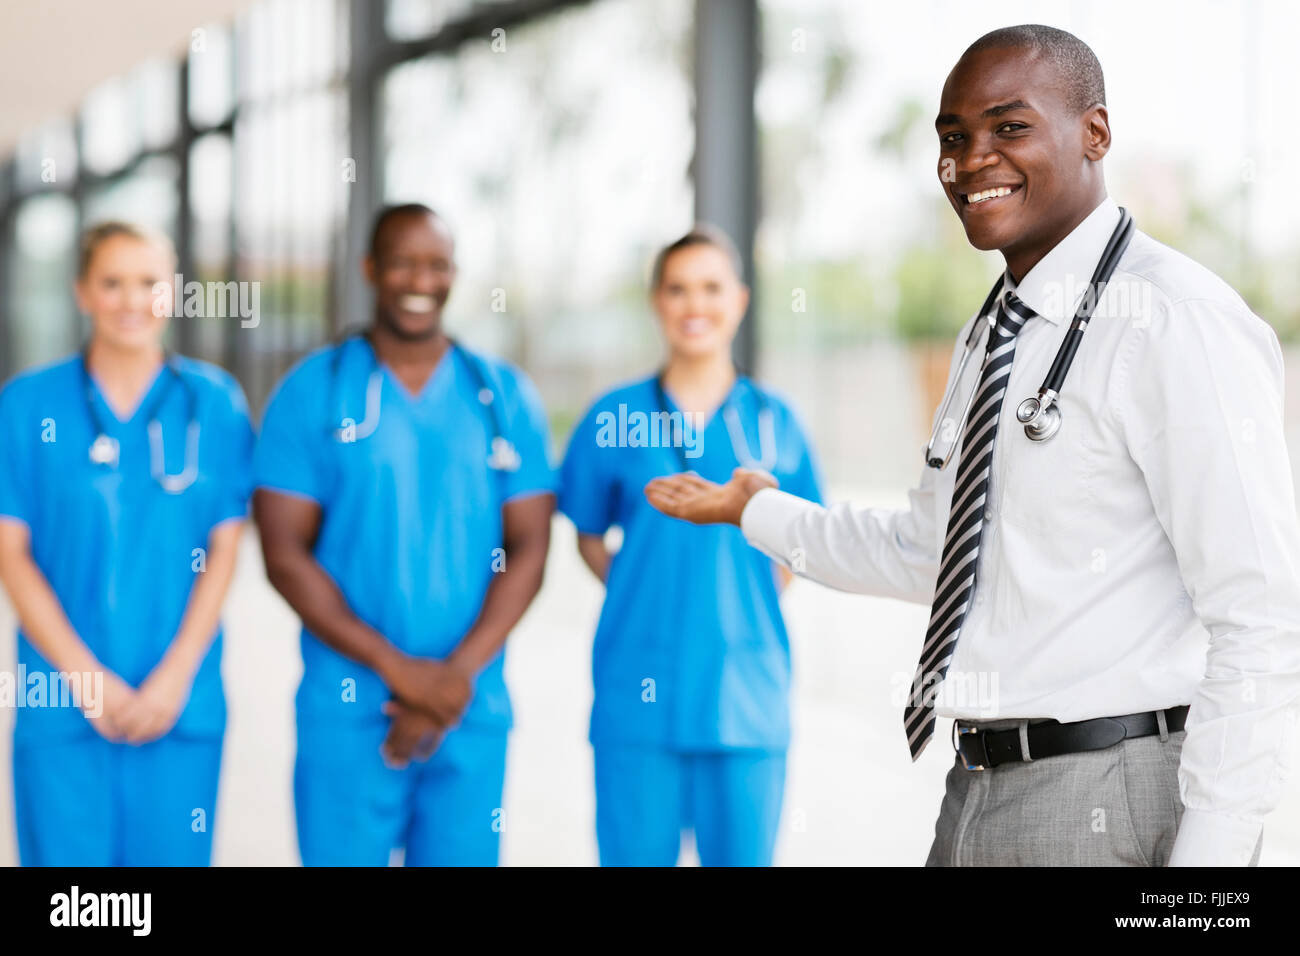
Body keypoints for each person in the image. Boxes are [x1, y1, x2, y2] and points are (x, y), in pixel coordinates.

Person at [645, 25, 1300, 867]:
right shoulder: (989, 335)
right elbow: (931, 554)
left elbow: (1261, 620)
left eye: (1009, 127)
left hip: (1110, 794)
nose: (971, 159)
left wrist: (1207, 884)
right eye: (953, 138)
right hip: (977, 791)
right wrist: (756, 510)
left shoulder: (1175, 321)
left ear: (1095, 133)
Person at [253, 203, 555, 867]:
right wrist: (402, 673)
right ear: (370, 270)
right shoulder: (313, 393)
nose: (421, 279)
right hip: (349, 703)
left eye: (437, 264)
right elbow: (283, 556)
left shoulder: (502, 396)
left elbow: (530, 549)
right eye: (402, 262)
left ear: (454, 274)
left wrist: (451, 679)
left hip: (467, 704)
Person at [560, 225, 824, 866]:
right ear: (657, 302)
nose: (694, 305)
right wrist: (643, 588)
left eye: (711, 288)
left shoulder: (775, 421)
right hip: (636, 693)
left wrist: (741, 594)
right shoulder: (611, 418)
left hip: (744, 697)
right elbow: (589, 536)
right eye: (677, 290)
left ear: (739, 299)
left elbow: (805, 546)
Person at [0, 221, 253, 866]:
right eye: (112, 282)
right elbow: (11, 552)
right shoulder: (27, 406)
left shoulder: (214, 403)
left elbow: (223, 550)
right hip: (60, 701)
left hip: (177, 701)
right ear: (82, 292)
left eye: (149, 282)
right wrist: (87, 682)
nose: (131, 300)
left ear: (172, 292)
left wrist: (172, 681)